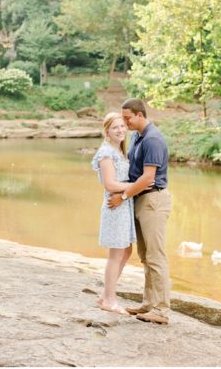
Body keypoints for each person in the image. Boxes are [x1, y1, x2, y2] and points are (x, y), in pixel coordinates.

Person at [107, 98, 171, 324]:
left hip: (153, 202)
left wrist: (123, 196)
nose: (124, 123)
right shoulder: (137, 137)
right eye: (122, 118)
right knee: (146, 257)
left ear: (140, 115)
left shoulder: (152, 139)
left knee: (156, 256)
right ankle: (148, 304)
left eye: (127, 118)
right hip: (140, 200)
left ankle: (162, 311)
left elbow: (148, 178)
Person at [91, 112, 152, 315]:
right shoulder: (106, 153)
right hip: (115, 206)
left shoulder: (118, 150)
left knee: (126, 251)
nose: (120, 130)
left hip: (123, 204)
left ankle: (106, 294)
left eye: (122, 126)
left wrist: (131, 190)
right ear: (107, 131)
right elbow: (109, 184)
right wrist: (137, 186)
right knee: (116, 253)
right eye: (115, 127)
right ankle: (109, 300)